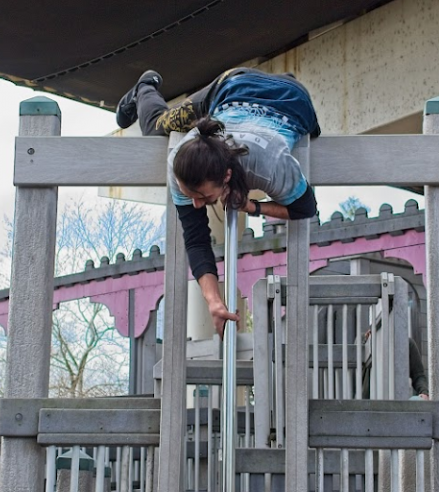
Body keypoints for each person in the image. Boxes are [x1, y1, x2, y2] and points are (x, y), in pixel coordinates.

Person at [116, 67, 321, 335]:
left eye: (203, 197)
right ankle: (145, 87)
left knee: (157, 126)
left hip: (286, 98)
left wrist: (252, 207)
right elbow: (196, 239)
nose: (196, 204)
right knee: (159, 133)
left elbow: (306, 207)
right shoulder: (179, 162)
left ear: (226, 176)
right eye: (191, 196)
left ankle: (145, 86)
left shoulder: (269, 164)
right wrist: (213, 301)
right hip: (231, 93)